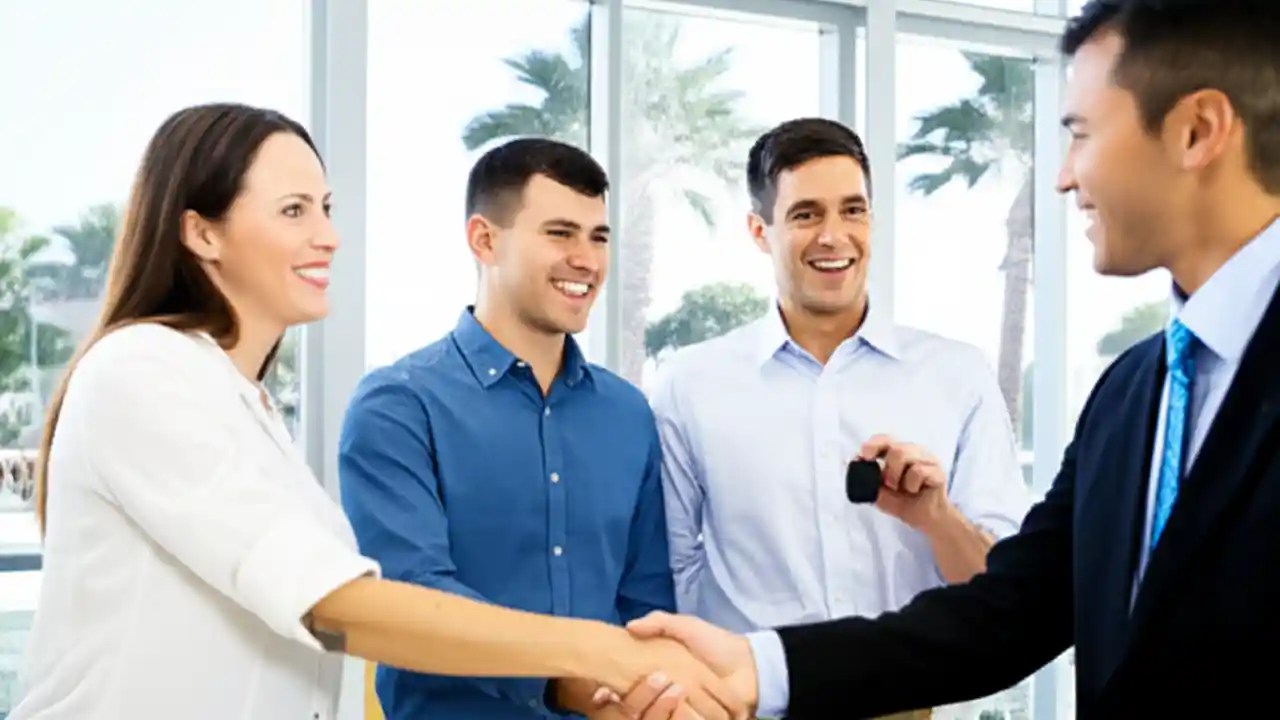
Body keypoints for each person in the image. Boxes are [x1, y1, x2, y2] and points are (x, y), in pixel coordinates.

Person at [614, 0, 1280, 717]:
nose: (1062, 176)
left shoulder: (964, 374)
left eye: (1081, 133)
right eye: (806, 214)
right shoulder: (1129, 393)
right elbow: (1013, 610)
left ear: (1196, 131)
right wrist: (761, 667)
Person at [9, 103, 744, 720]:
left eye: (325, 209)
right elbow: (337, 606)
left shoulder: (246, 406)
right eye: (293, 210)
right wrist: (597, 650)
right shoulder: (143, 369)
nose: (328, 234)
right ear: (202, 232)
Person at [337, 137, 696, 719]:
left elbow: (645, 601)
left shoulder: (629, 414)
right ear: (484, 239)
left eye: (598, 237)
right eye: (560, 233)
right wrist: (562, 678)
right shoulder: (398, 406)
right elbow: (413, 599)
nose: (587, 259)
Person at [648, 118, 1031, 653]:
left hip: (905, 701)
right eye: (806, 214)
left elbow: (1002, 592)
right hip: (746, 701)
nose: (834, 236)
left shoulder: (958, 376)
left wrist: (938, 517)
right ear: (760, 232)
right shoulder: (689, 385)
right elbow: (674, 568)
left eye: (853, 210)